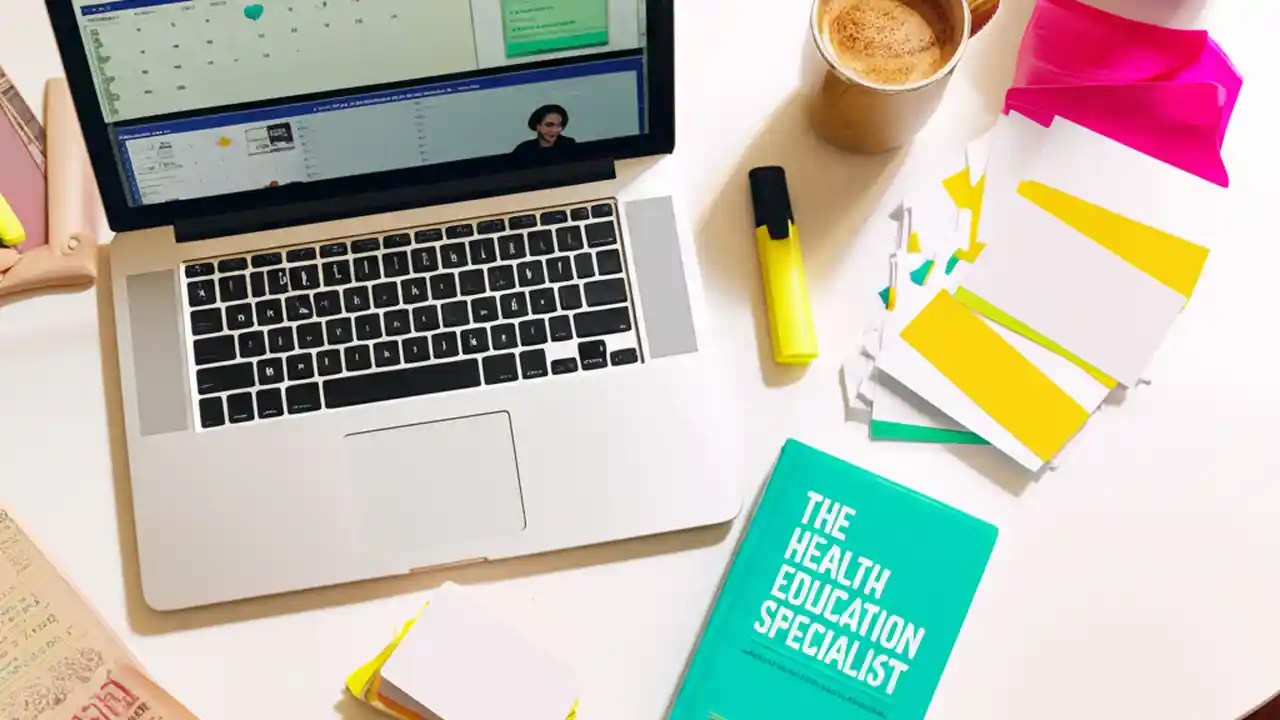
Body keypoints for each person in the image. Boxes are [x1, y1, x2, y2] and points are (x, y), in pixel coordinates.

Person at [512, 104, 578, 163]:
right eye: (549, 125)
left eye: (558, 126)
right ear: (538, 126)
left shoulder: (569, 146)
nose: (554, 130)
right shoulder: (523, 150)